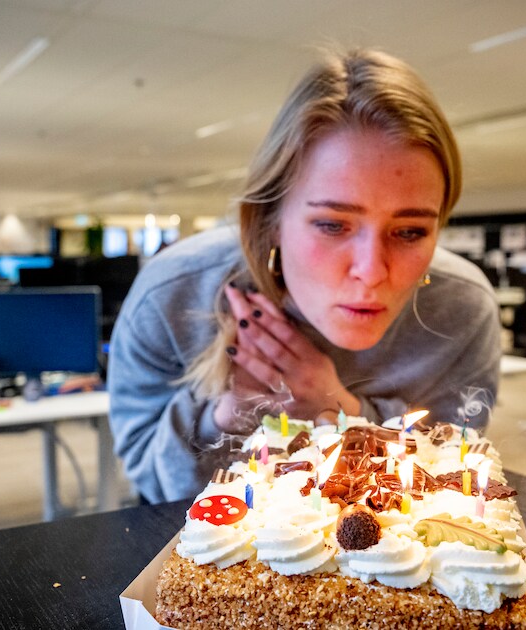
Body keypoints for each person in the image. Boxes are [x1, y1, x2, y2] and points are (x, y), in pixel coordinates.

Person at [106, 48, 502, 504]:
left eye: (410, 231)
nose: (372, 271)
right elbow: (153, 488)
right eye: (333, 225)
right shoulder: (172, 295)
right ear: (270, 218)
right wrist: (231, 413)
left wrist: (335, 410)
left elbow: (447, 484)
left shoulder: (462, 310)